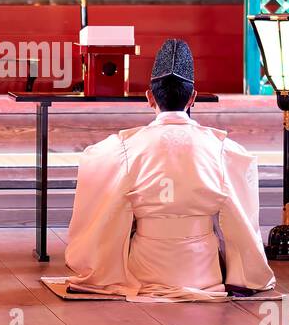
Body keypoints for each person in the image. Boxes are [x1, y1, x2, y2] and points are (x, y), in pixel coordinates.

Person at [64, 38, 275, 302]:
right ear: (193, 98)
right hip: (204, 274)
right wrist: (244, 275)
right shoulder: (224, 150)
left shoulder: (124, 147)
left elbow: (94, 182)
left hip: (144, 272)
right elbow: (241, 220)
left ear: (149, 97)